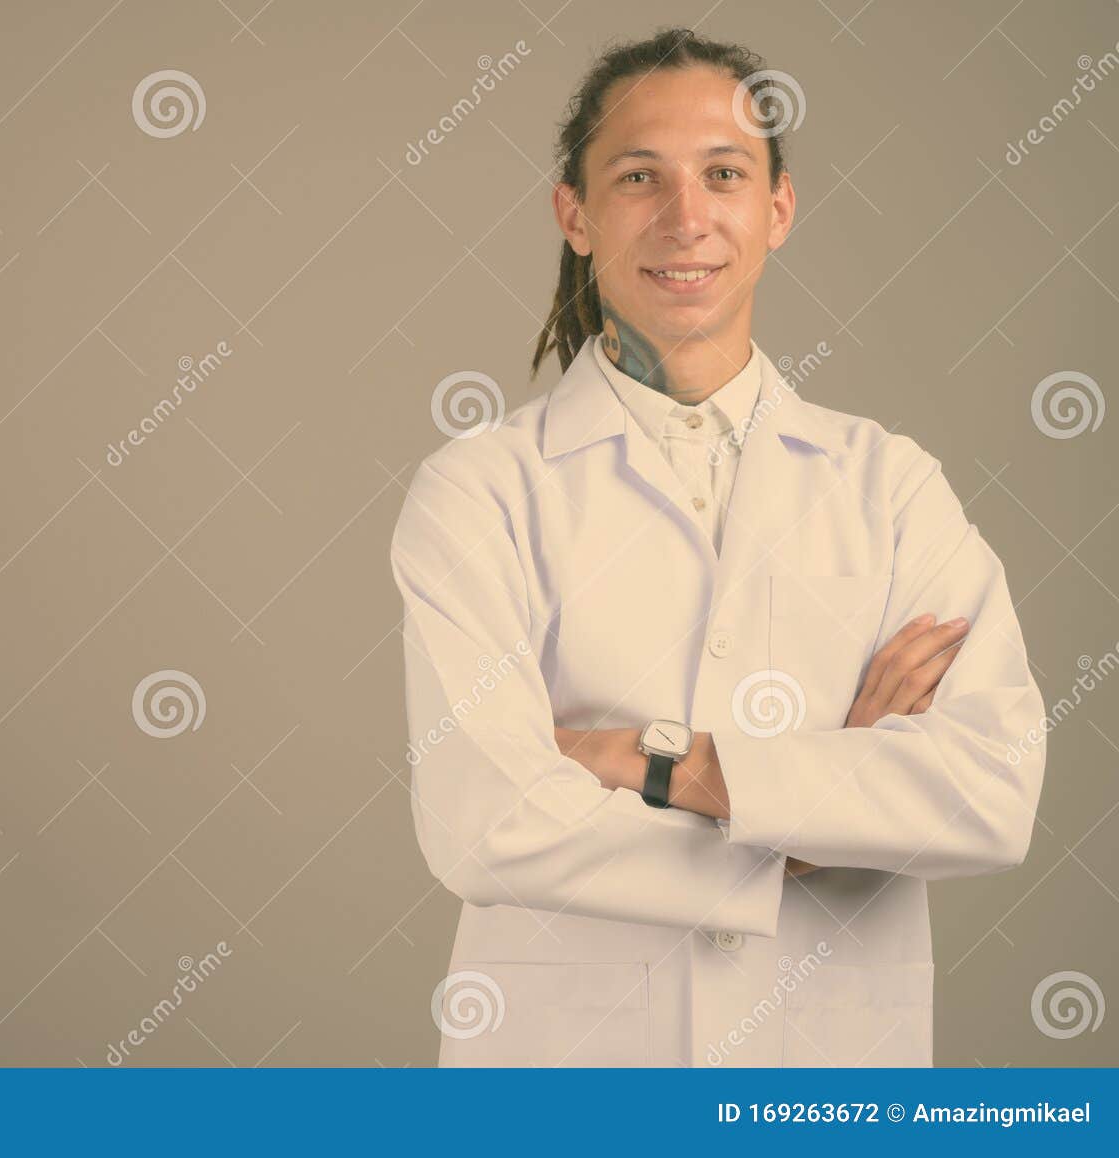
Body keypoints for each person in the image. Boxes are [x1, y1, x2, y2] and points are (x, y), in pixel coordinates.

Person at [388, 26, 1047, 1067]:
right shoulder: (480, 493)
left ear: (776, 208)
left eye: (724, 175)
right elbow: (485, 820)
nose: (685, 218)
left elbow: (990, 791)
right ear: (575, 214)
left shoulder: (889, 485)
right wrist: (819, 811)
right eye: (638, 177)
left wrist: (656, 765)